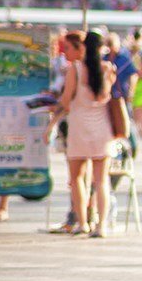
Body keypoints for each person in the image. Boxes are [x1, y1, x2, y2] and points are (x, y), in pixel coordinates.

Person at [48, 31, 116, 238]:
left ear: (85, 47)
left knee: (77, 178)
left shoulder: (76, 69)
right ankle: (101, 225)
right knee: (101, 180)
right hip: (102, 131)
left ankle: (83, 223)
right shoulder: (107, 69)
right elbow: (106, 96)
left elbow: (66, 101)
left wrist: (51, 116)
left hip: (79, 129)